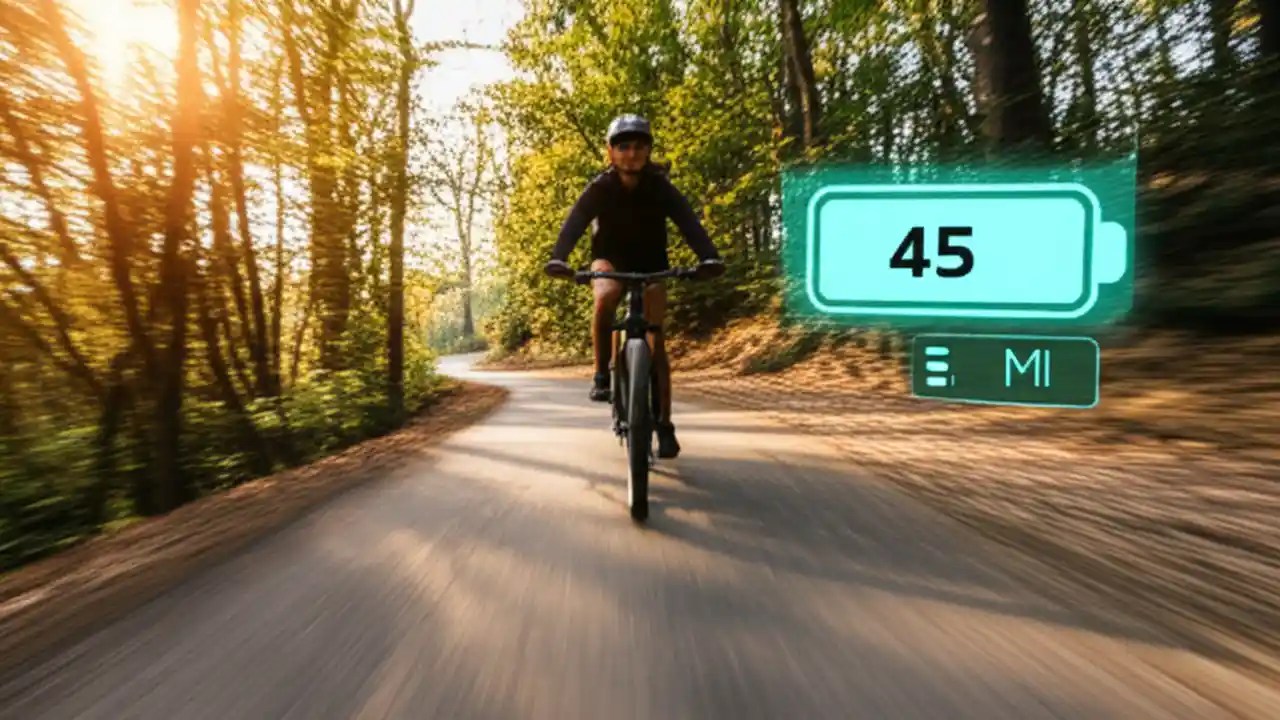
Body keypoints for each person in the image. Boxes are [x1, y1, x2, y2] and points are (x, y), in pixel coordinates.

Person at [544, 113, 724, 459]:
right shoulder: (600, 188)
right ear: (610, 152)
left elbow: (689, 223)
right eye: (623, 146)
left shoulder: (660, 187)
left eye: (640, 146)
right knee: (607, 295)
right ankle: (601, 375)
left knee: (656, 343)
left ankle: (665, 425)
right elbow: (574, 224)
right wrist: (559, 259)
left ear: (648, 151)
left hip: (653, 264)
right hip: (609, 261)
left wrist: (708, 258)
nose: (632, 153)